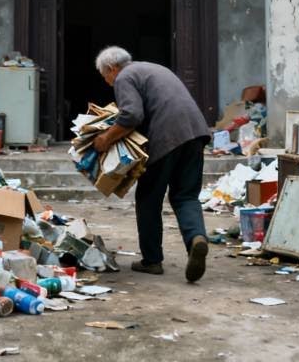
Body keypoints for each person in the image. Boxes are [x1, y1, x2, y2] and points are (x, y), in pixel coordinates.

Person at [91, 46, 212, 282]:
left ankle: (152, 260)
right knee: (186, 196)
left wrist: (105, 139)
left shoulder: (124, 77)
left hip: (166, 138)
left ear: (112, 69)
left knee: (148, 198)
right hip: (196, 133)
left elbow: (132, 115)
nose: (107, 83)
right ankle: (196, 239)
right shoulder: (154, 69)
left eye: (105, 77)